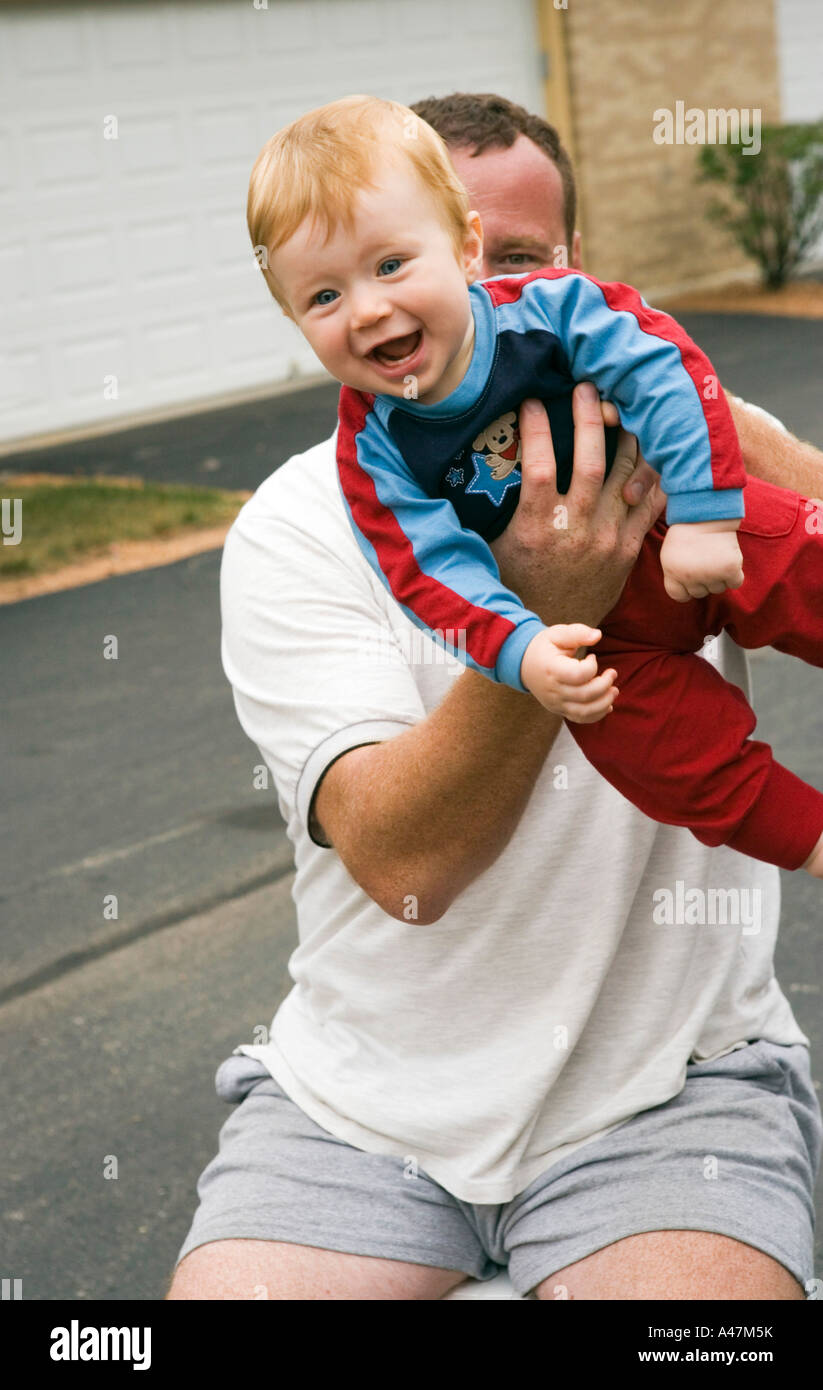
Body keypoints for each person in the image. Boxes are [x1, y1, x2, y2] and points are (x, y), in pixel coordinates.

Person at [167, 92, 823, 1301]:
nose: (392, 308)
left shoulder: (672, 410)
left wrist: (695, 432)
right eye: (344, 284)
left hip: (673, 1084)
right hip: (364, 1105)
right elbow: (407, 864)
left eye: (523, 260)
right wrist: (543, 608)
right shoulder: (308, 519)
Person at [246, 93, 823, 876]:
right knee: (672, 755)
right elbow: (428, 574)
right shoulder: (336, 489)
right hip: (602, 651)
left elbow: (661, 368)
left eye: (391, 264)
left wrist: (703, 510)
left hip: (677, 528)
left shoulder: (558, 321)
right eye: (325, 294)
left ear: (468, 247)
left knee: (798, 559)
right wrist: (526, 645)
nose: (374, 309)